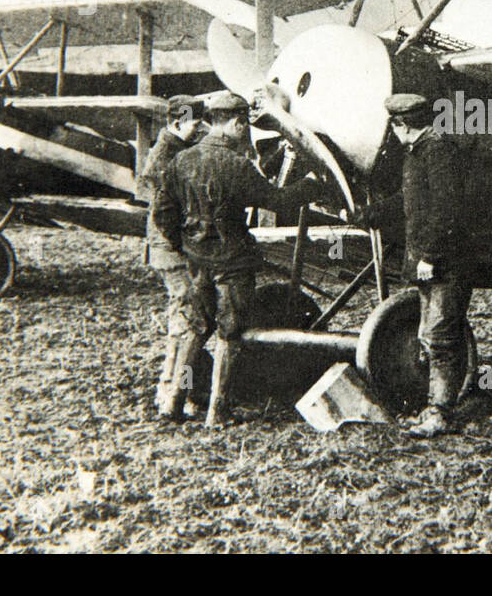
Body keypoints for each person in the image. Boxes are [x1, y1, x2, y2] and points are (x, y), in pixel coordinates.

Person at [151, 91, 321, 426]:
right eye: (245, 125)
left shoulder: (182, 161)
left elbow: (162, 213)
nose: (246, 132)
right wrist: (312, 184)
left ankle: (173, 400)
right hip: (233, 262)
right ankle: (218, 410)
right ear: (238, 123)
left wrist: (186, 243)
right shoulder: (237, 166)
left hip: (197, 260)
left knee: (194, 331)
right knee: (231, 334)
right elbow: (279, 201)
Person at [360, 93, 472, 438]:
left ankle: (439, 414)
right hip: (431, 262)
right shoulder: (419, 153)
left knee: (440, 337)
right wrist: (369, 214)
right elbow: (410, 199)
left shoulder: (438, 151)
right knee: (428, 335)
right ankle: (432, 408)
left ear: (401, 125)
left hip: (445, 263)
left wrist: (431, 256)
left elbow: (447, 210)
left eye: (392, 126)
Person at [137, 95, 204, 412]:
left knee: (186, 321)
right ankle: (173, 395)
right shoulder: (166, 157)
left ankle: (180, 391)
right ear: (177, 123)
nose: (200, 127)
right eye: (195, 122)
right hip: (173, 251)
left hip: (169, 249)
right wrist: (187, 247)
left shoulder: (174, 149)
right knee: (187, 324)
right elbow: (166, 215)